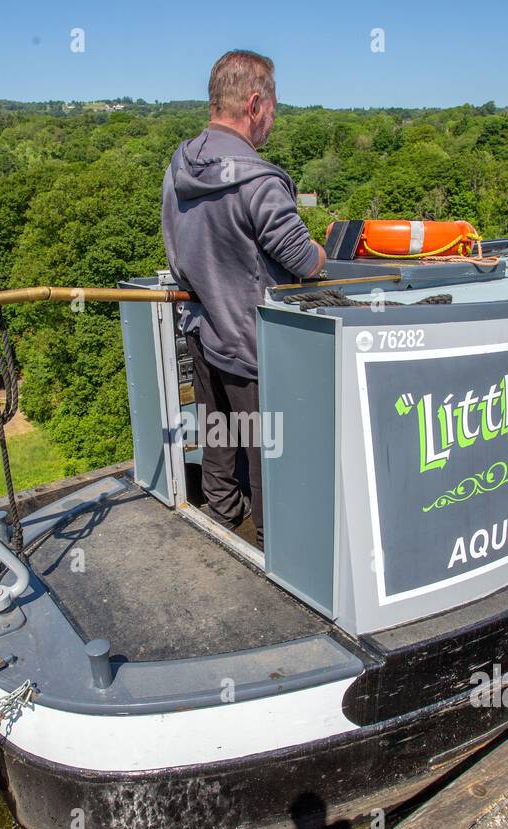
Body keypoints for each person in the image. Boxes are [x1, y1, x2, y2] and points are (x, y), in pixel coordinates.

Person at [160, 49, 326, 548]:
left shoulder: (178, 167)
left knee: (216, 432)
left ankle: (223, 514)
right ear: (255, 104)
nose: (273, 119)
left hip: (201, 329)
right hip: (253, 343)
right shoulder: (258, 179)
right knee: (266, 450)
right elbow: (301, 257)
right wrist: (322, 253)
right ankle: (275, 541)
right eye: (273, 107)